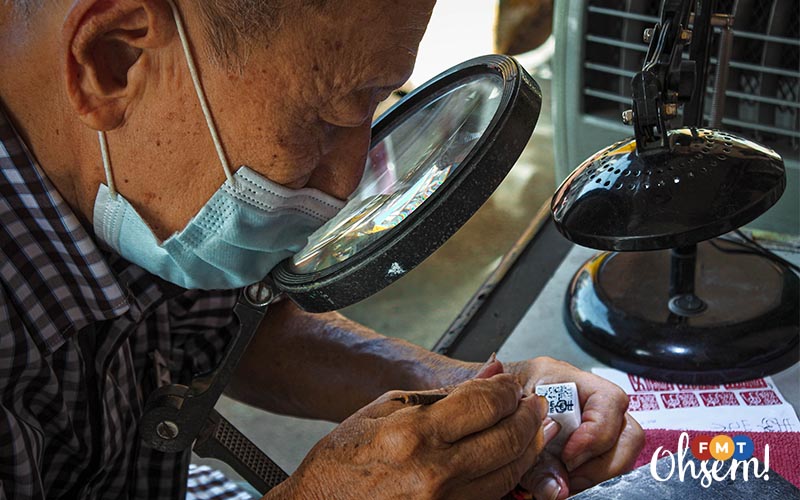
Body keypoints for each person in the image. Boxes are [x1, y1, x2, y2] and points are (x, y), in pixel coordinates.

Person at [0, 1, 644, 499]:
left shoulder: (137, 169)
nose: (344, 183)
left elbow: (231, 329)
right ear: (115, 60)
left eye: (377, 102)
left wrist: (465, 394)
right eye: (326, 117)